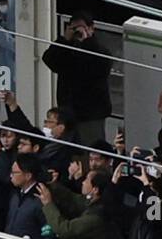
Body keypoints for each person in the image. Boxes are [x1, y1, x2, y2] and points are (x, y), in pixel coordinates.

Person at [41, 11, 113, 147]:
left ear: (91, 28)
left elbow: (100, 67)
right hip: (68, 114)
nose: (77, 32)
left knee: (91, 150)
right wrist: (64, 39)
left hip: (91, 115)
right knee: (67, 153)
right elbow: (49, 59)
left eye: (81, 28)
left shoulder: (99, 50)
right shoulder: (67, 50)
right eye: (74, 28)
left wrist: (87, 41)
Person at [3, 153, 48, 239]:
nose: (11, 176)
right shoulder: (15, 195)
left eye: (15, 172)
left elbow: (47, 231)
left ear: (28, 176)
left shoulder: (41, 199)